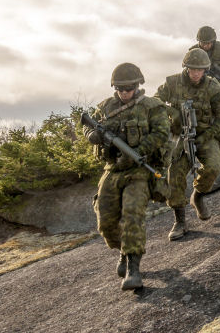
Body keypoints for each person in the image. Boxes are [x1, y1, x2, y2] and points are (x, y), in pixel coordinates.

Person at [84, 63, 169, 291]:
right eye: (120, 88)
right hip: (113, 169)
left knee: (132, 214)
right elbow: (87, 124)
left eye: (128, 88)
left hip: (139, 171)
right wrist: (92, 134)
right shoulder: (105, 107)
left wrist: (138, 152)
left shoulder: (152, 107)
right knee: (105, 220)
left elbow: (162, 133)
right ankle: (123, 249)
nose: (124, 93)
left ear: (137, 85)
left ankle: (134, 267)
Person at [155, 48, 220, 241]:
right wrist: (171, 113)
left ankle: (198, 195)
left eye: (200, 69)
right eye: (192, 69)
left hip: (205, 134)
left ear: (206, 70)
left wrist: (208, 135)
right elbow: (154, 102)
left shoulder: (213, 87)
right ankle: (179, 221)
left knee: (213, 166)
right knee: (175, 175)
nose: (195, 73)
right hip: (180, 135)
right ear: (186, 68)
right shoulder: (172, 83)